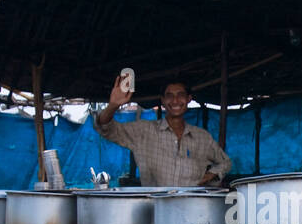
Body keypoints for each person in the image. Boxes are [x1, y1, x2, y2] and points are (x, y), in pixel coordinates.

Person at [97, 76, 232, 186]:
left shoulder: (202, 138)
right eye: (169, 96)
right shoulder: (144, 131)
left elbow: (225, 162)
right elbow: (106, 128)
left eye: (180, 95)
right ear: (162, 100)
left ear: (188, 99)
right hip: (156, 212)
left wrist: (207, 177)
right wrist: (113, 106)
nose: (175, 100)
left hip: (192, 210)